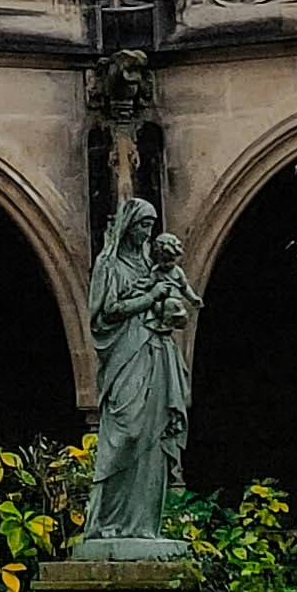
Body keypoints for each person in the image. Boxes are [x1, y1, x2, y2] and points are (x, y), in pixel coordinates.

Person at [79, 194, 198, 548]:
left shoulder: (151, 264)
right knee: (127, 431)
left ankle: (143, 525)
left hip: (155, 351)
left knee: (153, 434)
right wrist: (151, 298)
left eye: (151, 226)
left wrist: (173, 309)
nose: (148, 232)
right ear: (128, 226)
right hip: (125, 353)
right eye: (143, 225)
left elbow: (172, 296)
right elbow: (106, 313)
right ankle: (107, 522)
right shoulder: (109, 265)